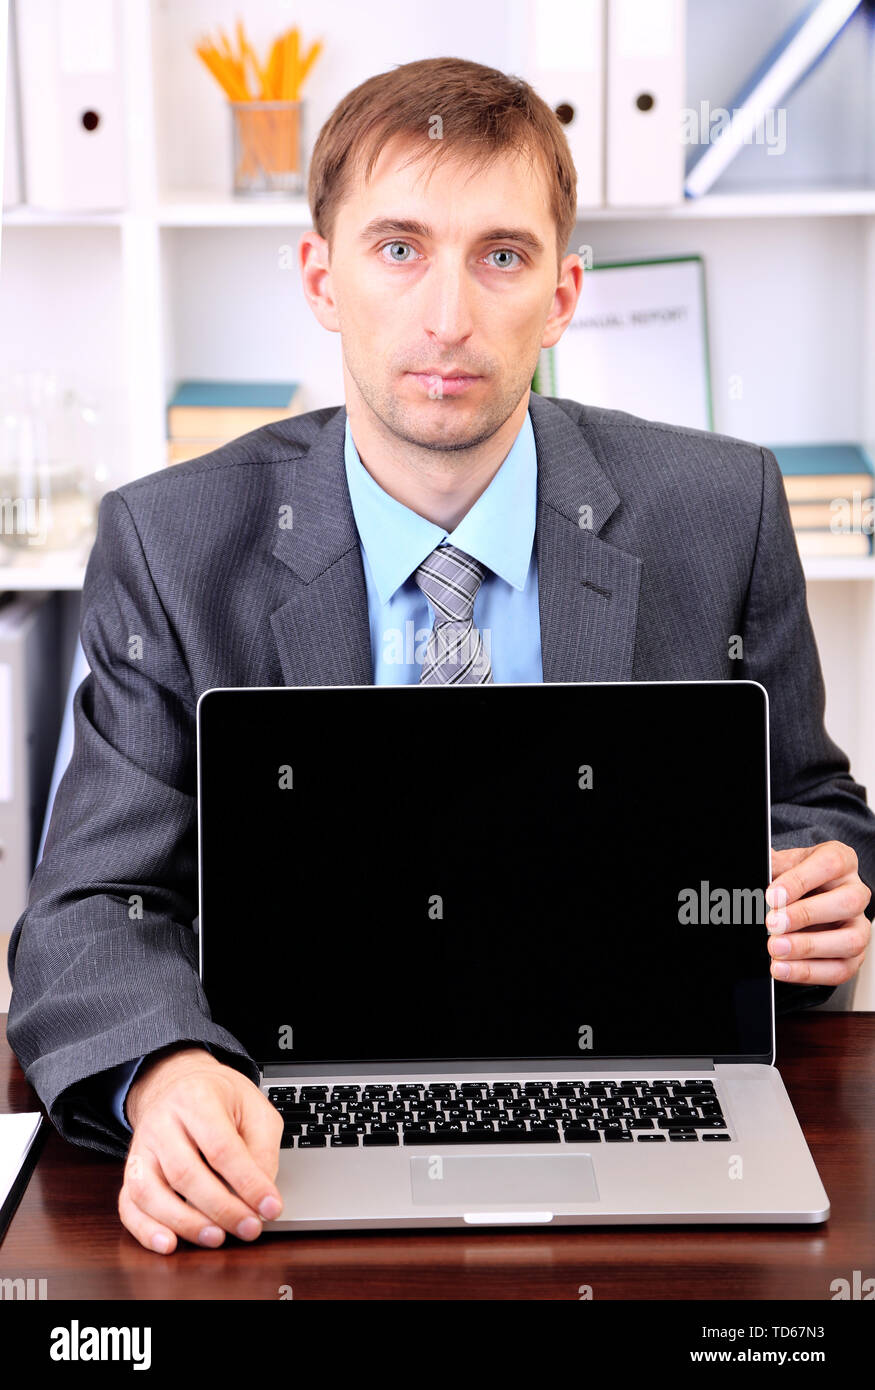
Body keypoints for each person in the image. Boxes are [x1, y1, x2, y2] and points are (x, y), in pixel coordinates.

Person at [7, 57, 873, 1256]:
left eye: (501, 256)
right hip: (282, 1103)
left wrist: (817, 885)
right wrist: (162, 1073)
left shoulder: (718, 508)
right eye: (399, 247)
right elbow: (89, 904)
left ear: (563, 294)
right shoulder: (170, 540)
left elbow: (805, 806)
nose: (448, 316)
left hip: (631, 1086)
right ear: (321, 276)